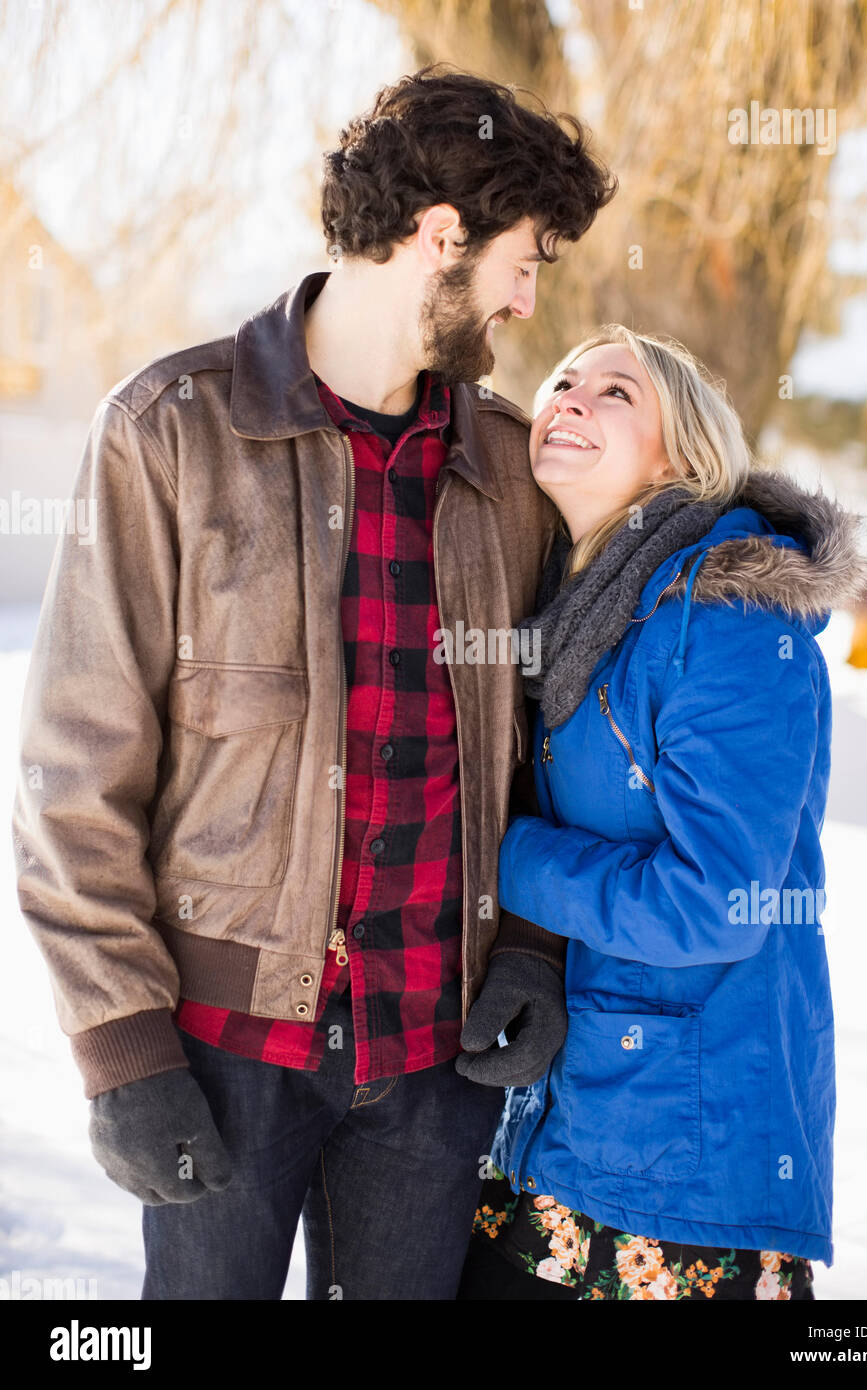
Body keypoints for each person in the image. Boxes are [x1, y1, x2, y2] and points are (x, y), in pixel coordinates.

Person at [11, 65, 617, 1300]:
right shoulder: (171, 433)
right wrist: (123, 1054)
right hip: (223, 1055)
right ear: (443, 236)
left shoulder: (507, 469)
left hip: (438, 1062)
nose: (524, 301)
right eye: (526, 260)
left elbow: (558, 753)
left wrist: (536, 953)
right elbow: (77, 774)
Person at [458, 325, 867, 1300]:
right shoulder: (590, 612)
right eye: (562, 380)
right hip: (572, 1124)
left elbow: (717, 900)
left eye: (616, 393)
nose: (569, 398)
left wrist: (497, 854)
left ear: (679, 455)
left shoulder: (725, 618)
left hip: (688, 1156)